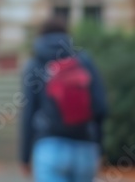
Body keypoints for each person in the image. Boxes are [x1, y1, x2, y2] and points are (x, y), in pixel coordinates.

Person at [20, 16, 108, 182]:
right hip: (85, 147)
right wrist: (99, 147)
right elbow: (101, 107)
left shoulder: (35, 64)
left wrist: (25, 157)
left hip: (49, 147)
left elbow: (28, 112)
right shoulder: (83, 60)